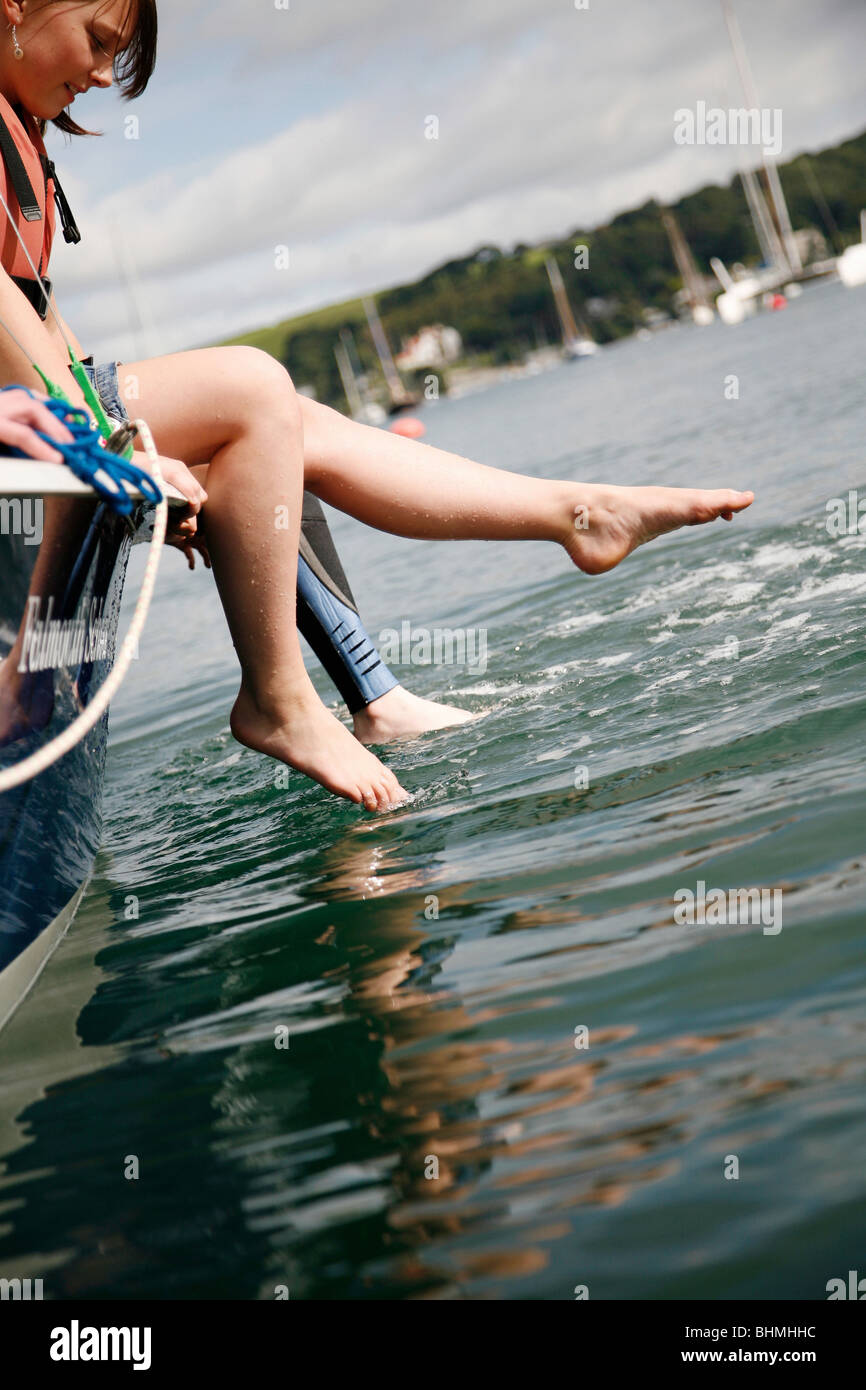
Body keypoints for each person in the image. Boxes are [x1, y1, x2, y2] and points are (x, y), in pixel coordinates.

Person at [0, 0, 754, 813]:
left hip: (46, 398)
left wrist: (128, 439)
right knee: (255, 390)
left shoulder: (26, 131)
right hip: (26, 419)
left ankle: (412, 660)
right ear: (14, 6)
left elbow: (39, 315)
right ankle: (281, 703)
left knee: (283, 424)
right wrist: (111, 447)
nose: (104, 75)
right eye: (99, 43)